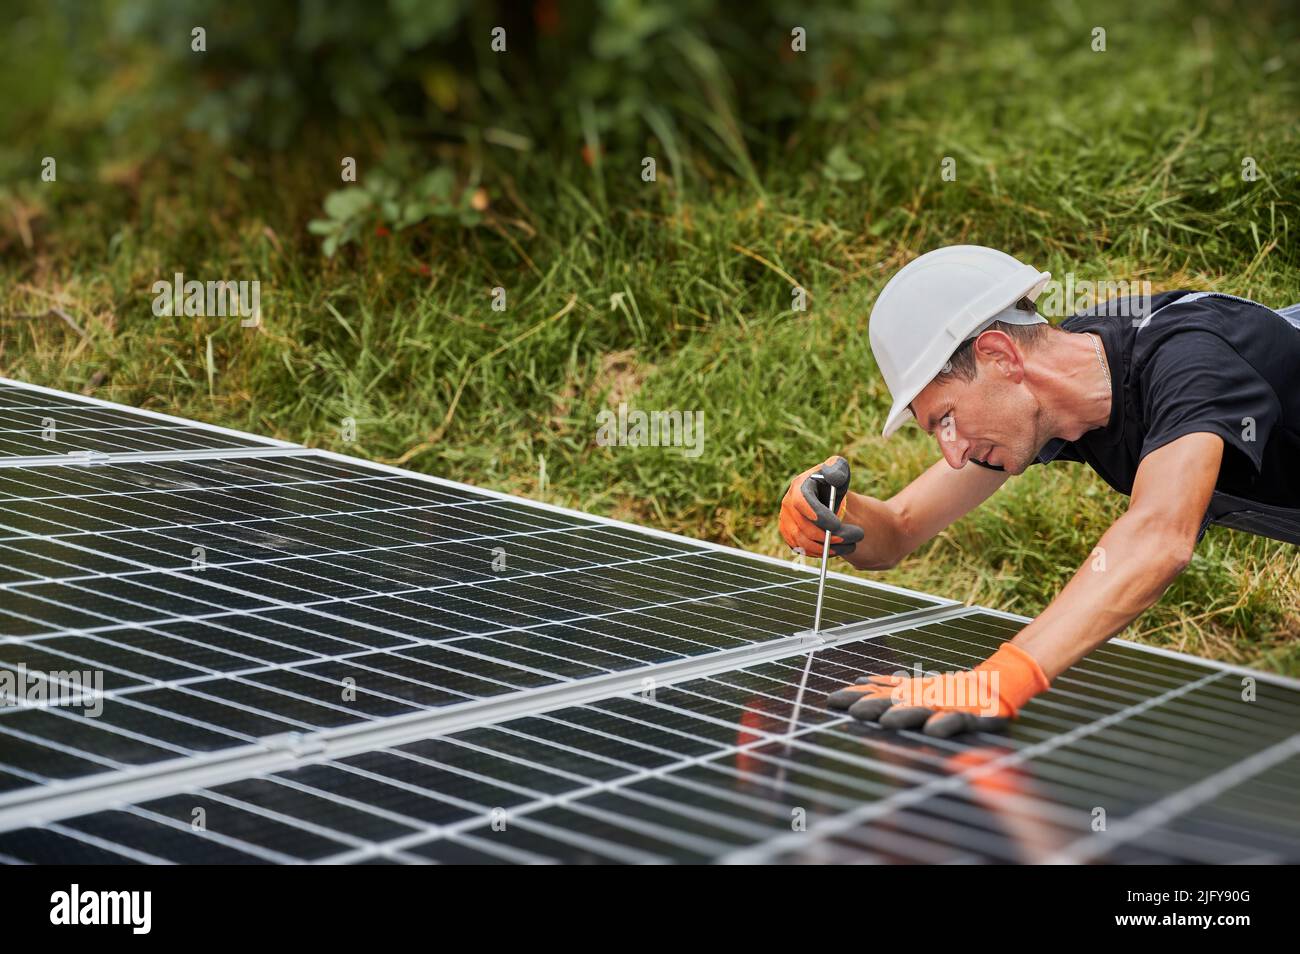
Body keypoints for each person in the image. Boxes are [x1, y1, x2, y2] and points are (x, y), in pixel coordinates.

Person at [779, 245, 1300, 737]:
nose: (954, 454)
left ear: (1001, 355)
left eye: (947, 420)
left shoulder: (1193, 361)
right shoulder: (1055, 394)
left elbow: (1159, 536)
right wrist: (832, 518)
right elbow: (899, 530)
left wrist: (1000, 678)